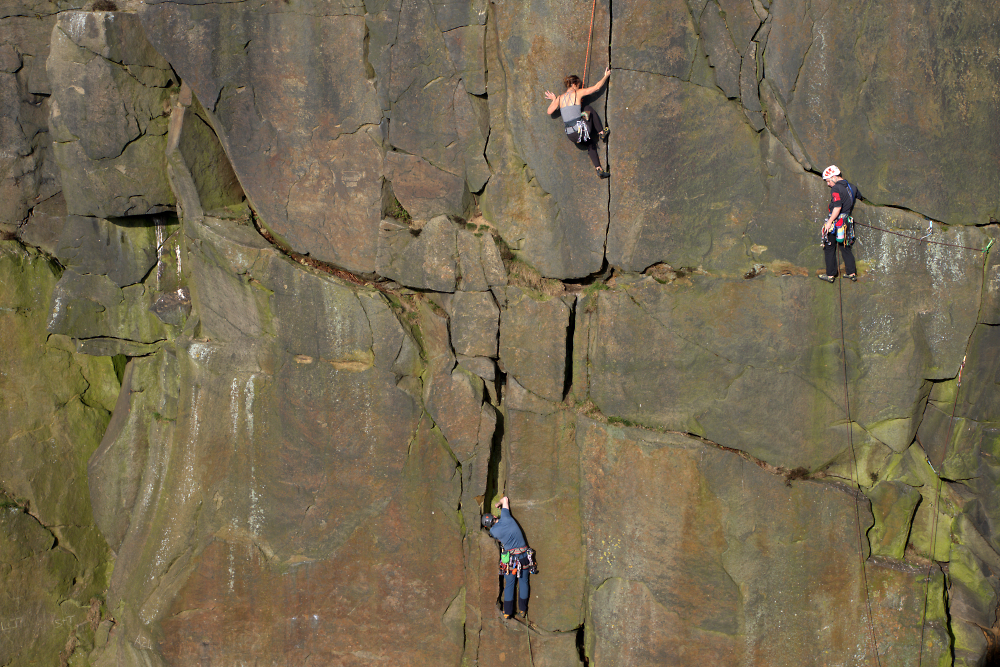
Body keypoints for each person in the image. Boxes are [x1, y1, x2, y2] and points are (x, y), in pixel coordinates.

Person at [545, 68, 612, 178]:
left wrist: (554, 99)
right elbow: (597, 87)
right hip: (580, 129)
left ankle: (599, 169)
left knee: (590, 143)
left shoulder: (560, 98)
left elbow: (549, 111)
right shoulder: (578, 93)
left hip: (571, 136)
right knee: (587, 107)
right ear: (575, 84)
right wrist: (606, 75)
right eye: (579, 85)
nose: (580, 87)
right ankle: (601, 132)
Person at [481, 496, 533, 619]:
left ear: (487, 526)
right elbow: (505, 499)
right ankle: (522, 610)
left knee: (509, 583)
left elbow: (499, 540)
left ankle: (507, 612)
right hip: (524, 557)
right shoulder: (506, 517)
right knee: (524, 582)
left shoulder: (494, 532)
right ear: (494, 517)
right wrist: (498, 504)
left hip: (511, 560)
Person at [818, 164, 859, 283]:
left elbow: (837, 207)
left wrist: (829, 222)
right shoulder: (852, 187)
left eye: (828, 181)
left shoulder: (836, 189)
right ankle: (851, 273)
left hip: (836, 222)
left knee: (829, 247)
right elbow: (858, 197)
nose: (828, 184)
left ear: (834, 177)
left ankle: (831, 275)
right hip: (846, 222)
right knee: (845, 246)